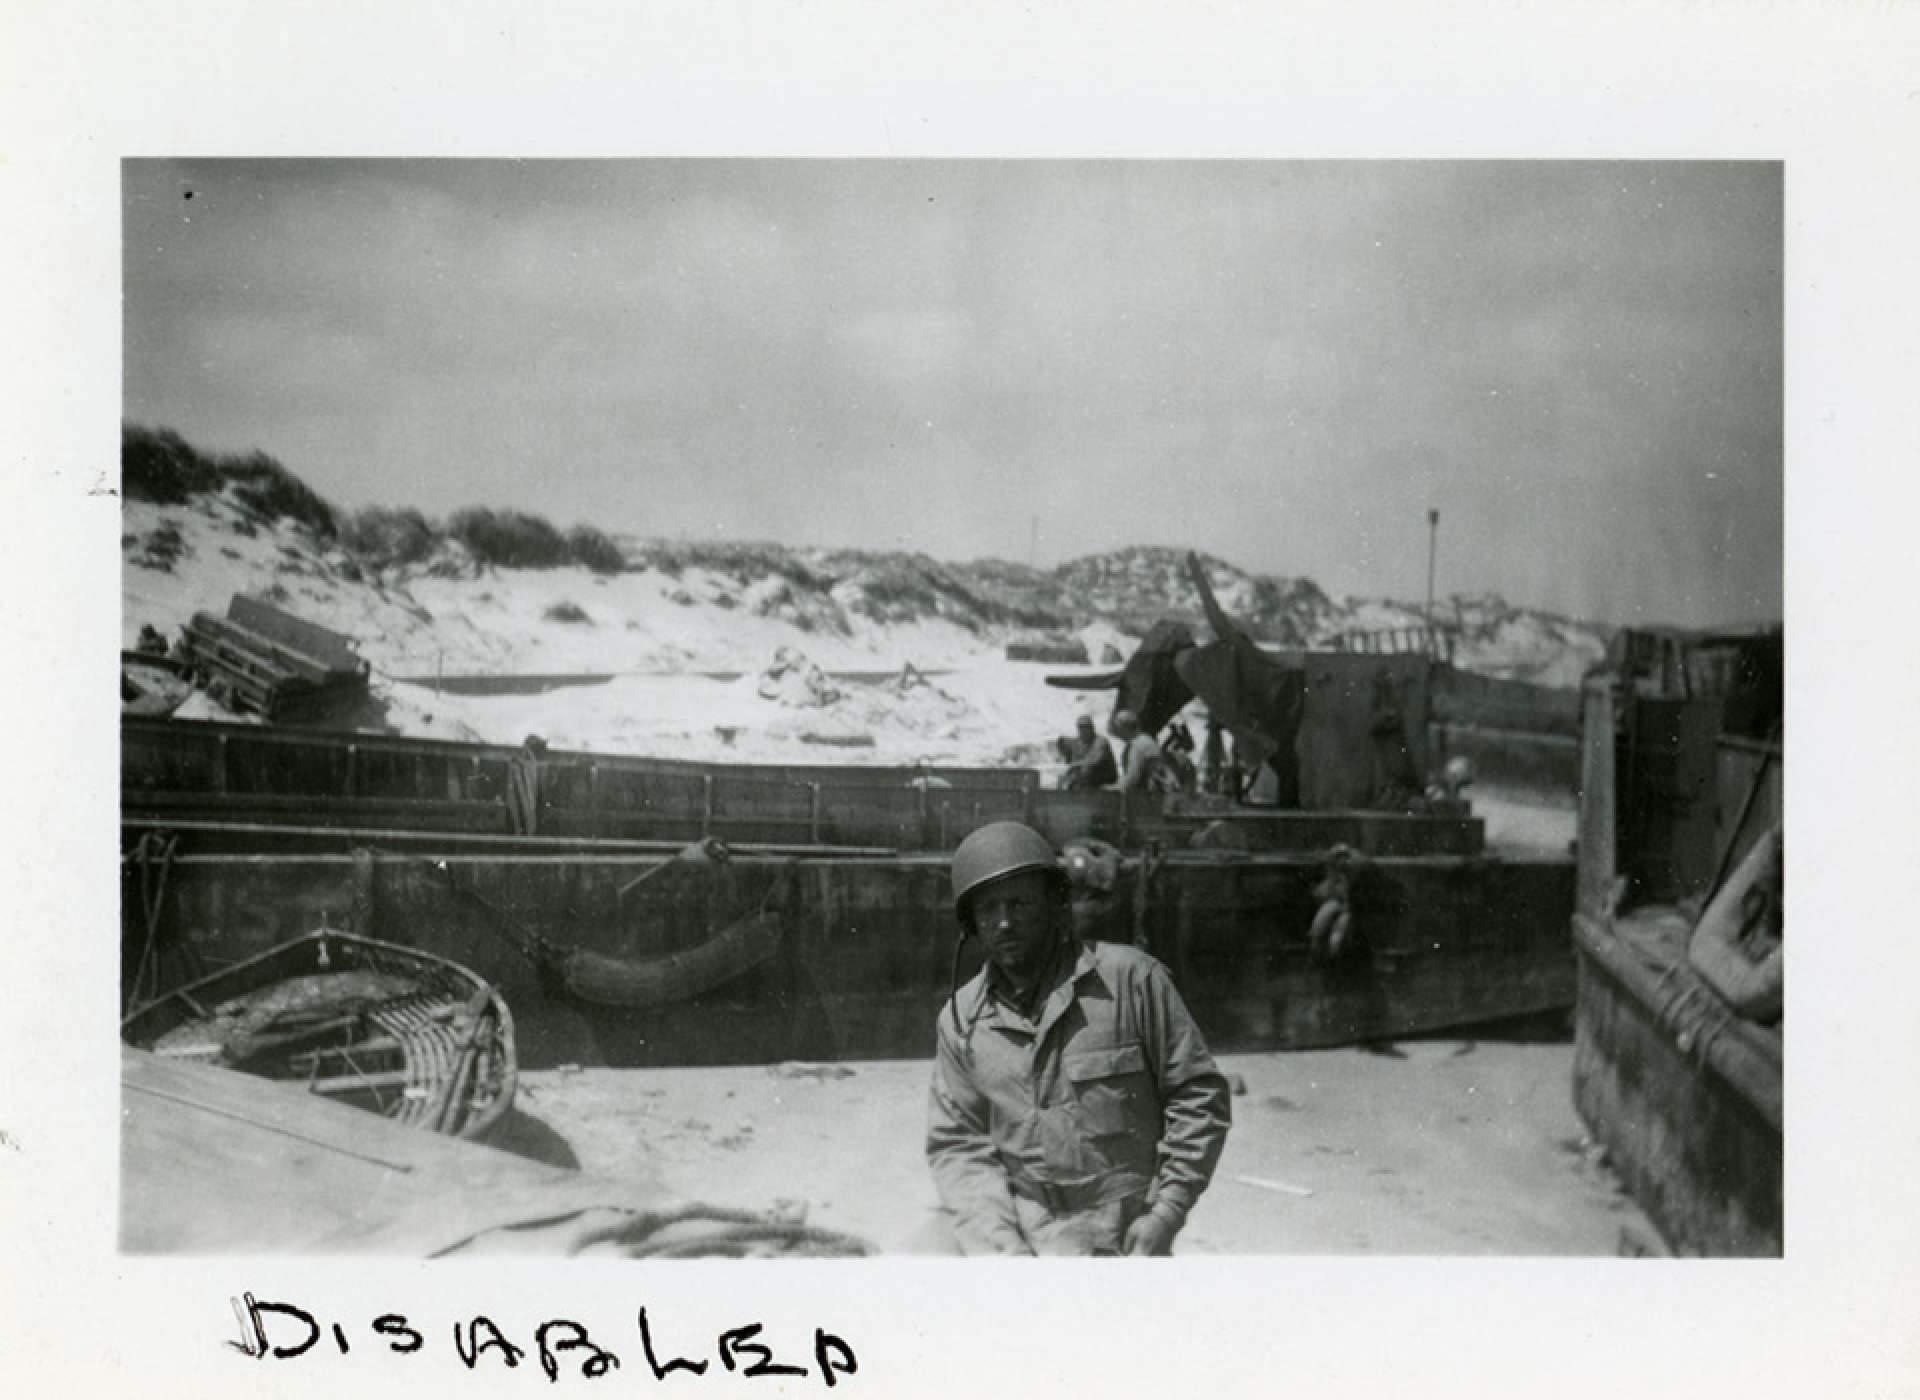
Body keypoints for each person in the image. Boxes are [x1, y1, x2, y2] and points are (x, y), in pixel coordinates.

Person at [924, 821, 1231, 1255]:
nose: (1004, 923)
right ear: (971, 924)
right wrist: (1002, 1250)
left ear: (1055, 904)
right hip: (1017, 1231)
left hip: (1124, 1235)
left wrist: (1167, 1211)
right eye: (988, 910)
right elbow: (958, 1145)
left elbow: (1197, 1096)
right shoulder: (961, 1019)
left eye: (1019, 904)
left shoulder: (1132, 981)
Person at [1109, 709, 1162, 793]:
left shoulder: (1137, 746)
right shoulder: (1146, 739)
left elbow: (1132, 779)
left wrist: (1113, 788)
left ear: (1124, 728)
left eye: (1118, 729)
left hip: (1150, 795)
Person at [1059, 714, 1117, 791]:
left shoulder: (1100, 741)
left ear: (1092, 728)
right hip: (1085, 783)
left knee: (1085, 770)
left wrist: (1074, 765)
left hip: (1103, 783)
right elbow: (1070, 761)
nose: (1083, 730)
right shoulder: (1077, 743)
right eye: (1080, 727)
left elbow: (1094, 761)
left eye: (1086, 727)